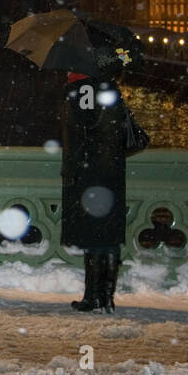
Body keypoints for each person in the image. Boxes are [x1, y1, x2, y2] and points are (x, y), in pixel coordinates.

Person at [60, 28, 138, 313]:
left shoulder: (81, 89)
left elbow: (81, 133)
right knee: (106, 235)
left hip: (90, 173)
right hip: (110, 172)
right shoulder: (107, 87)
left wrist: (73, 169)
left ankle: (94, 296)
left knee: (95, 235)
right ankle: (105, 296)